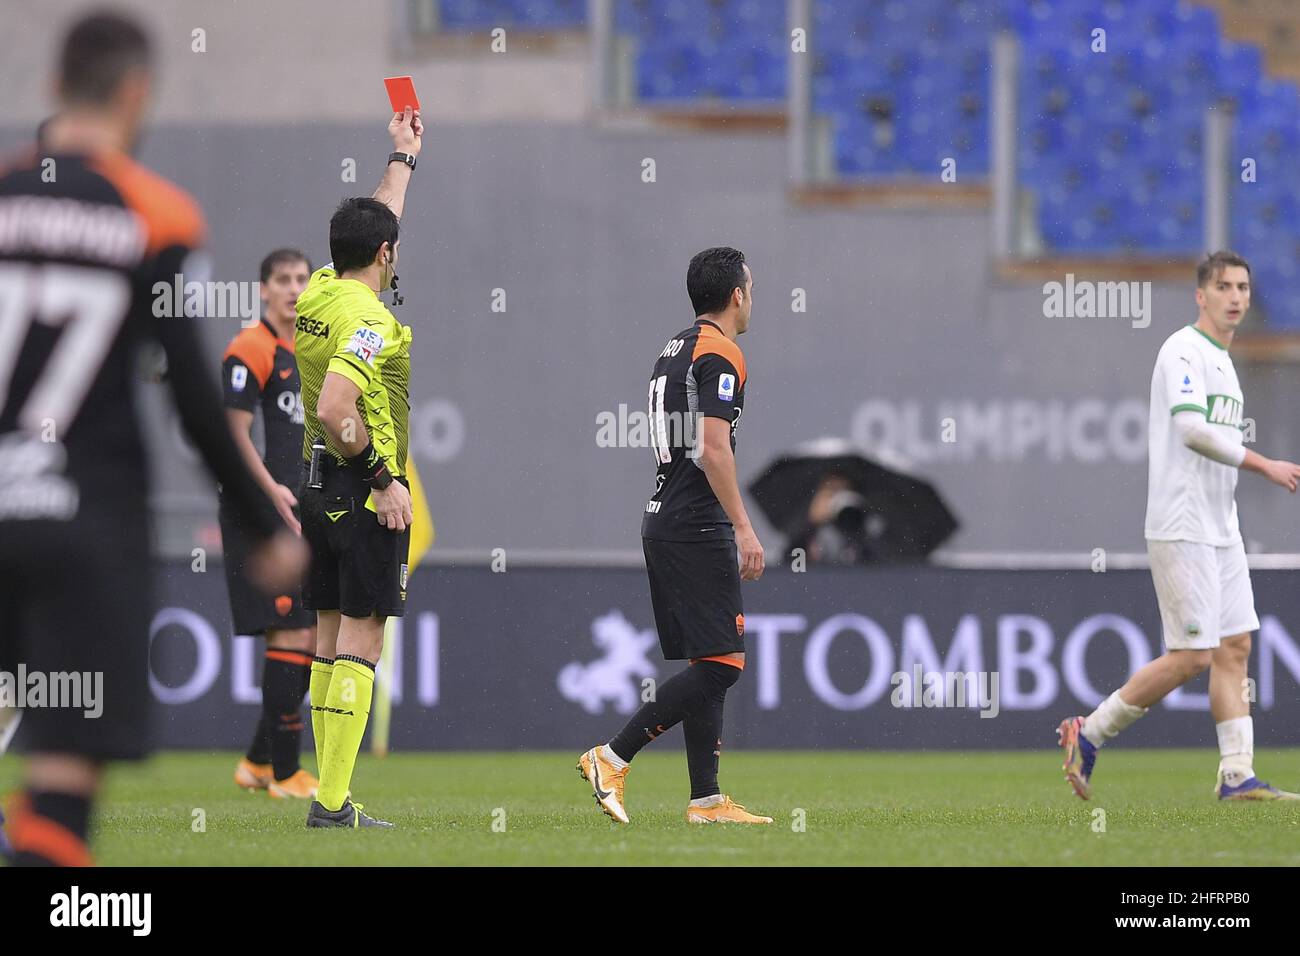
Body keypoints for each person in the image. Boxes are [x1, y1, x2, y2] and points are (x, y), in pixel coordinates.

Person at [0, 11, 304, 865]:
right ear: (138, 92)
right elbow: (193, 400)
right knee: (60, 781)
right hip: (82, 524)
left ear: (54, 86)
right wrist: (263, 520)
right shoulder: (156, 214)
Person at [1059, 251, 1300, 801]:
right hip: (1182, 522)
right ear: (1201, 295)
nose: (1236, 296)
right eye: (1224, 287)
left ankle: (1238, 775)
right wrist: (1265, 464)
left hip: (1222, 527)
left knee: (1235, 645)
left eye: (1243, 286)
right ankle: (1088, 732)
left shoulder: (1225, 362)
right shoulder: (1182, 350)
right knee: (1191, 656)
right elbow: (1191, 432)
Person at [578, 247, 772, 825]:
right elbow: (713, 449)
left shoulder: (673, 350)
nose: (752, 297)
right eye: (752, 287)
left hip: (666, 517)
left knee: (709, 657)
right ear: (737, 294)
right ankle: (611, 756)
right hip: (696, 522)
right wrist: (743, 526)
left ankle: (706, 800)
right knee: (724, 665)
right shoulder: (721, 351)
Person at [296, 110, 422, 828]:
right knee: (364, 637)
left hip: (317, 488)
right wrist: (383, 479)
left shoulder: (319, 288)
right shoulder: (370, 320)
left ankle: (330, 793)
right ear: (385, 254)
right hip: (361, 488)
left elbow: (378, 224)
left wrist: (401, 159)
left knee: (326, 637)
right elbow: (339, 406)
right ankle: (334, 802)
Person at [224, 249, 320, 800]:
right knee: (292, 632)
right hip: (260, 511)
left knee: (307, 637)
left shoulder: (309, 351)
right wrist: (272, 491)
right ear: (263, 290)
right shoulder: (251, 346)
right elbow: (233, 432)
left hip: (300, 511)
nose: (292, 288)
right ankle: (286, 773)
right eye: (281, 280)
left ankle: (259, 763)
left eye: (301, 279)